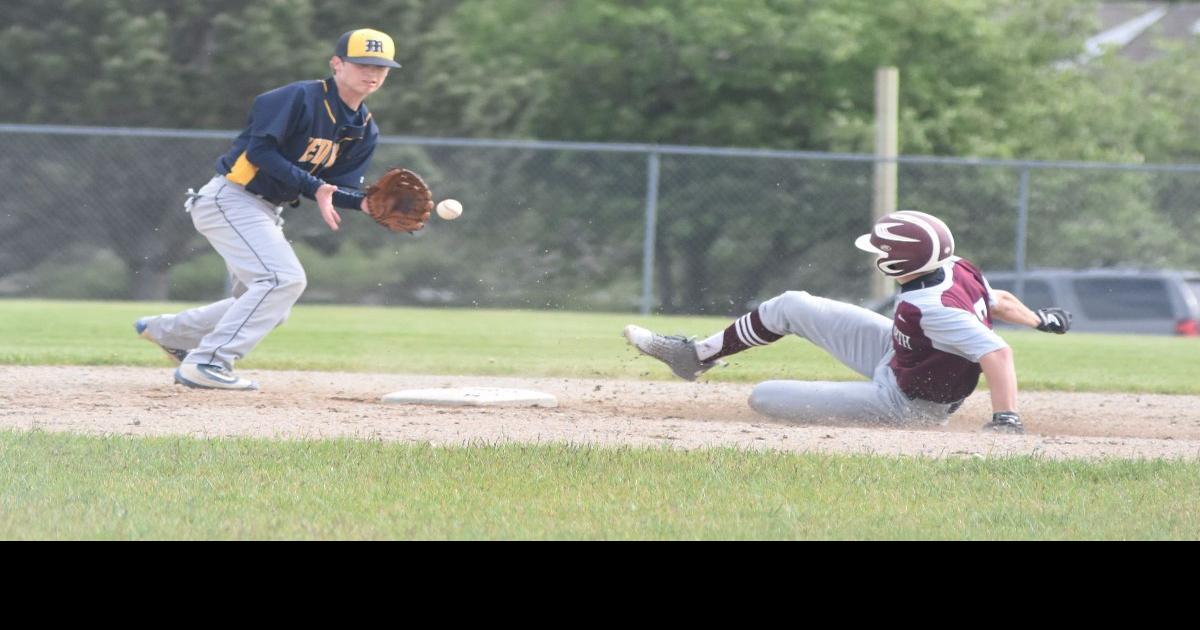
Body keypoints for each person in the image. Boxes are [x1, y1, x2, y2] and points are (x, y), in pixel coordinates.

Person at [623, 210, 1072, 433]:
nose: (877, 256)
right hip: (900, 358)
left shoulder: (932, 307)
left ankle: (922, 422)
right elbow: (1000, 302)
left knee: (764, 398)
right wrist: (1043, 320)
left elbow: (996, 351)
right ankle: (694, 356)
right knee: (791, 304)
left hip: (910, 404)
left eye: (881, 253)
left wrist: (1006, 418)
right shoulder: (957, 267)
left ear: (898, 263)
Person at [135, 28, 407, 390]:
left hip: (263, 209)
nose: (372, 73)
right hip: (231, 198)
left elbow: (332, 188)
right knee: (282, 280)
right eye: (362, 64)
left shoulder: (364, 129)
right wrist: (316, 186)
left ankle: (170, 333)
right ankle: (208, 362)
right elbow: (260, 152)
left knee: (268, 306)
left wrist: (364, 202)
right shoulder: (297, 98)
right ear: (337, 64)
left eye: (381, 67)